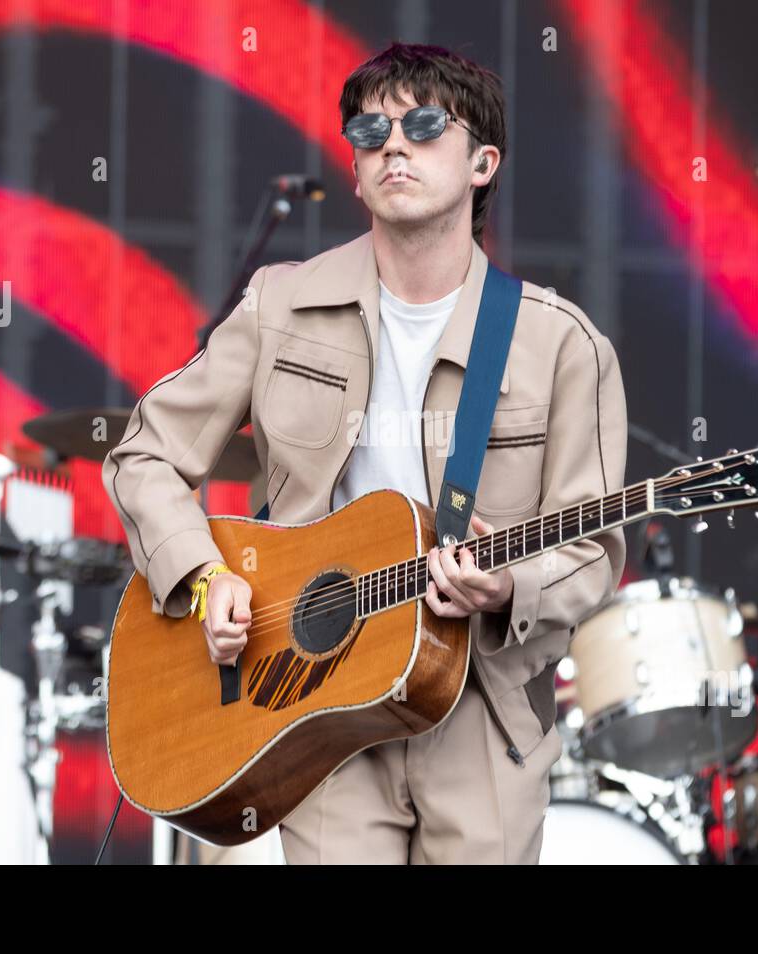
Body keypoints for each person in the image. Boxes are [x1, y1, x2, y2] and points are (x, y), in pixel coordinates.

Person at [102, 41, 627, 864]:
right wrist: (205, 581)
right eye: (370, 130)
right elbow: (145, 454)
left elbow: (593, 550)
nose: (392, 144)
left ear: (483, 162)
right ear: (353, 170)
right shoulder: (281, 303)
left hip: (483, 713)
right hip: (315, 706)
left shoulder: (562, 345)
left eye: (423, 125)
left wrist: (507, 582)